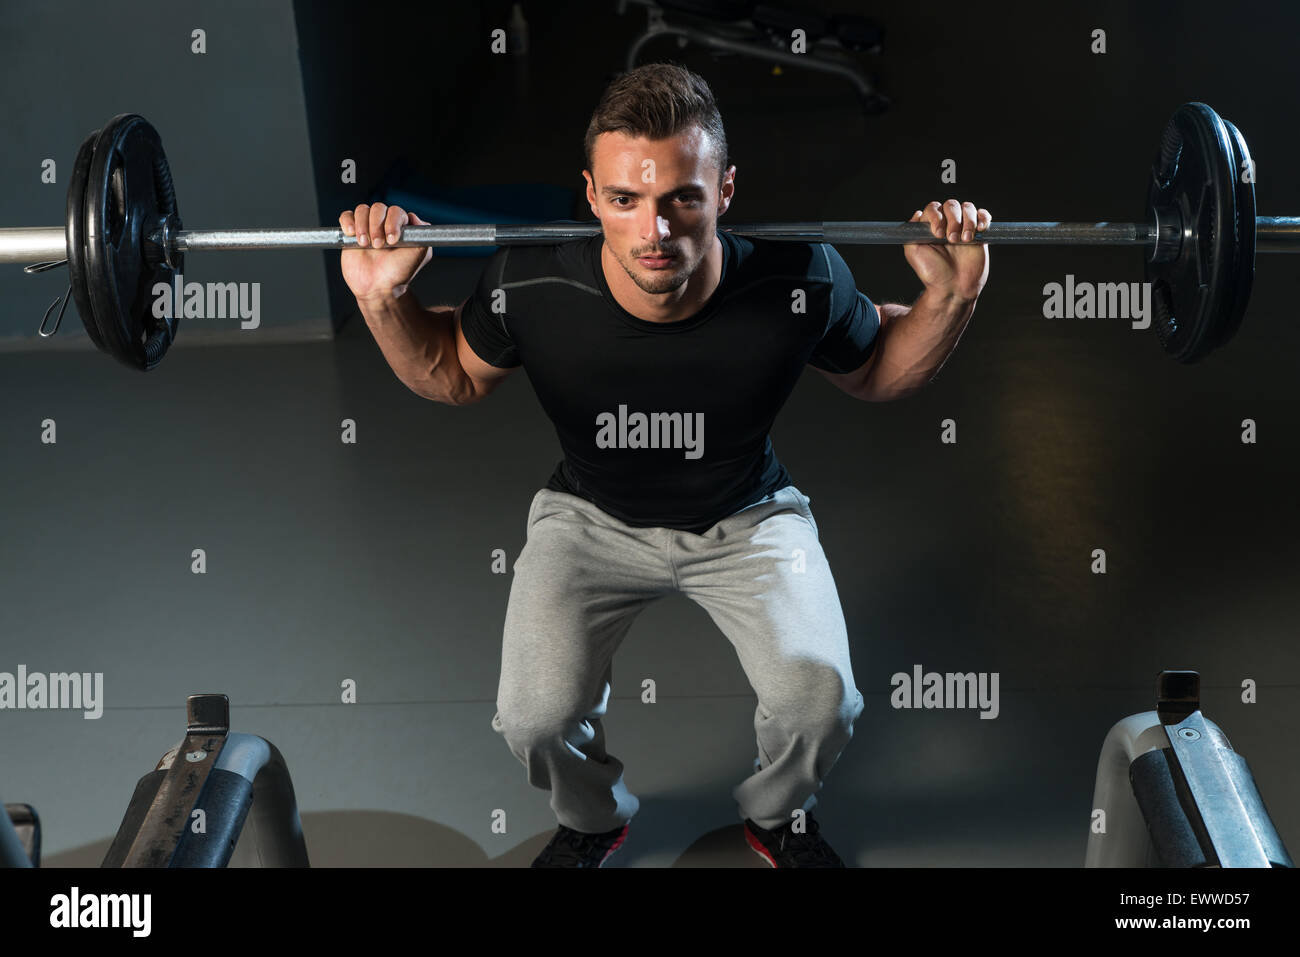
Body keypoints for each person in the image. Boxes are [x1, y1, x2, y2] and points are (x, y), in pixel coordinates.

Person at [340, 62, 990, 868]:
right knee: (532, 716)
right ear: (590, 195)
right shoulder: (532, 281)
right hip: (590, 517)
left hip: (749, 515)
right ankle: (592, 817)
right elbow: (456, 372)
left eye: (683, 197)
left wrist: (951, 297)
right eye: (625, 200)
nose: (655, 231)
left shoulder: (797, 278)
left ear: (724, 191)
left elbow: (878, 369)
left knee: (821, 699)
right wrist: (380, 300)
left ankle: (778, 815)